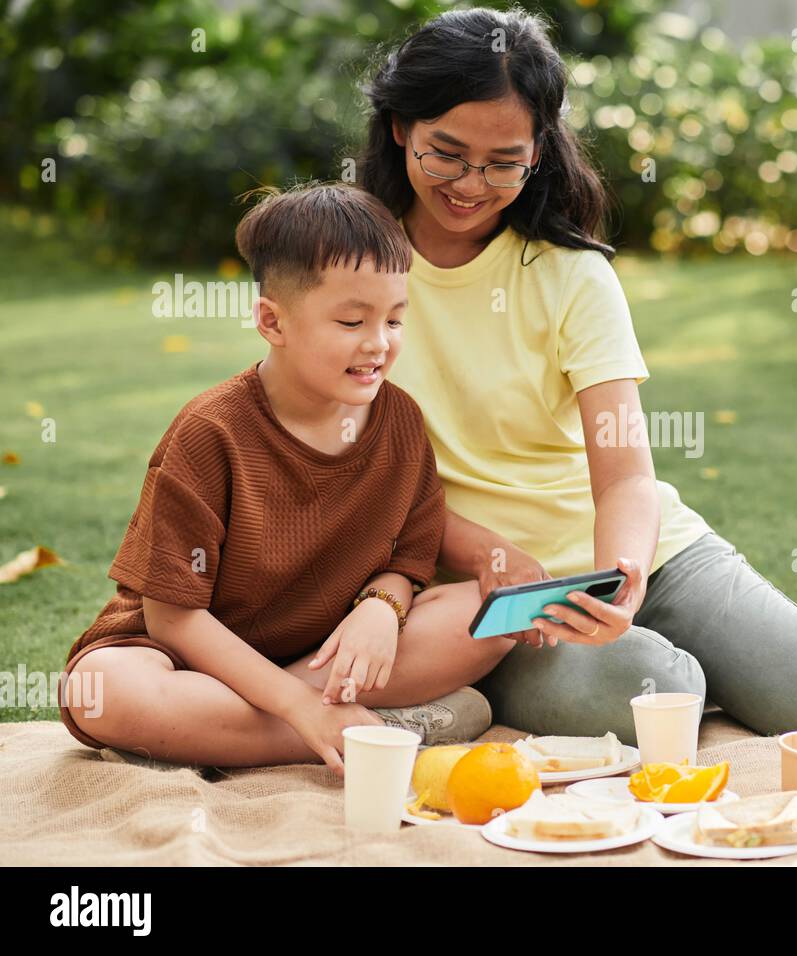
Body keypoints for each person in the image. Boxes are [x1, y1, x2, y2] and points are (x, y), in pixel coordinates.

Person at [360, 8, 797, 744]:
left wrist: (622, 577)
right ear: (399, 127)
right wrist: (483, 551)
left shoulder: (572, 277)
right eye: (445, 153)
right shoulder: (351, 271)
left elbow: (625, 479)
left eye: (503, 161)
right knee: (658, 694)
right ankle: (716, 661)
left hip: (649, 554)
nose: (471, 184)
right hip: (492, 604)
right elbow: (352, 472)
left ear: (539, 151)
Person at [59, 183, 505, 775]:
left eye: (395, 320)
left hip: (320, 655)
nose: (378, 344)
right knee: (100, 690)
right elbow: (171, 617)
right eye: (351, 321)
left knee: (488, 615)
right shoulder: (210, 431)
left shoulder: (400, 421)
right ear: (273, 321)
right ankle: (364, 728)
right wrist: (299, 706)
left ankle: (262, 730)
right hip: (190, 662)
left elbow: (411, 560)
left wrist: (381, 607)